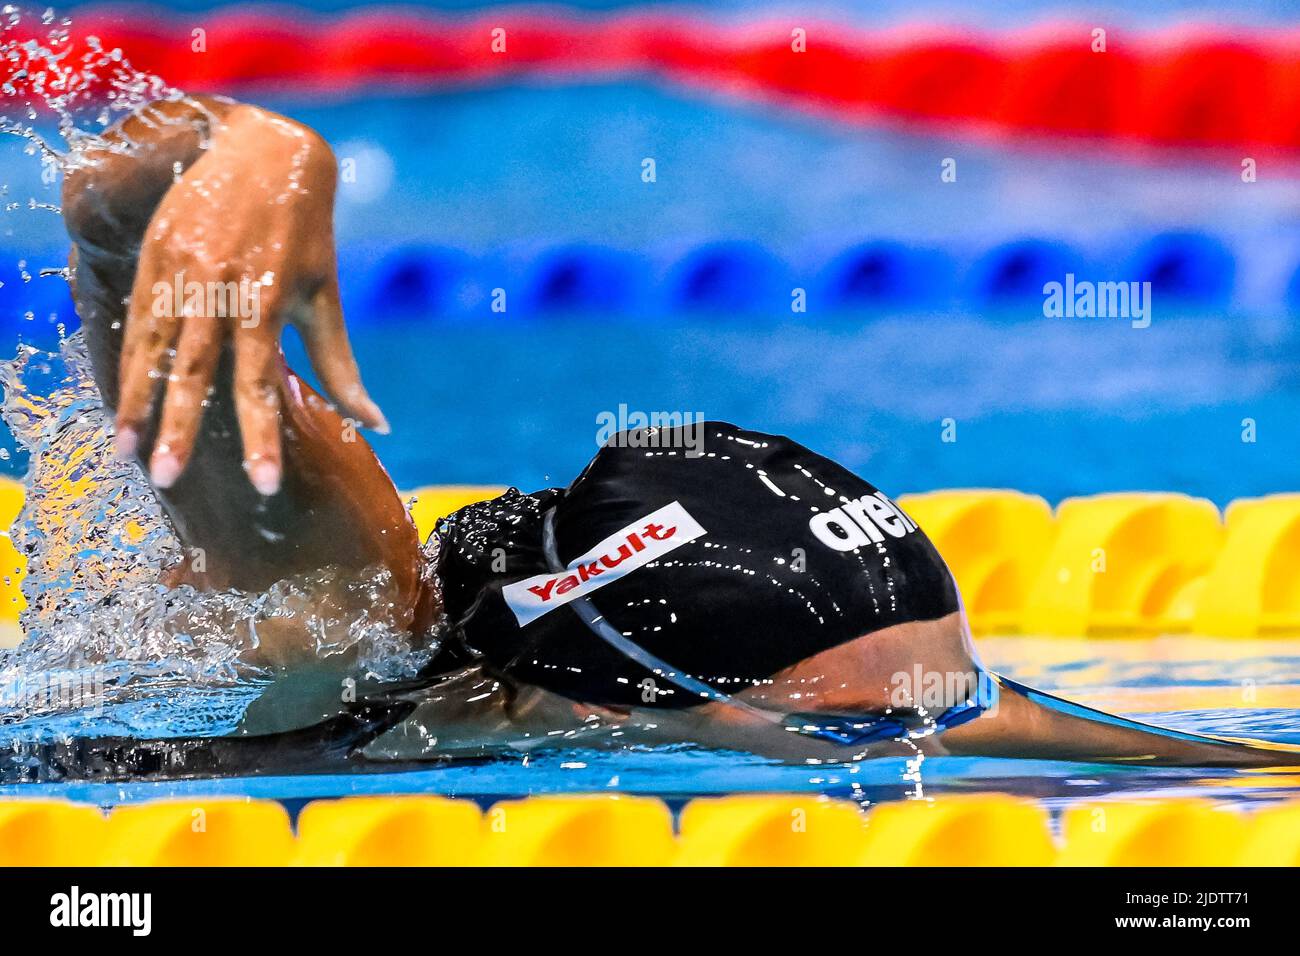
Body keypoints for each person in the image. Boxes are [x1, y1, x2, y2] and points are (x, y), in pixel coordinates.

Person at [26, 94, 1296, 782]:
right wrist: (256, 148)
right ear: (619, 687)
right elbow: (104, 210)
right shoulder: (342, 631)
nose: (940, 739)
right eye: (866, 727)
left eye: (954, 693)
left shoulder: (901, 703)